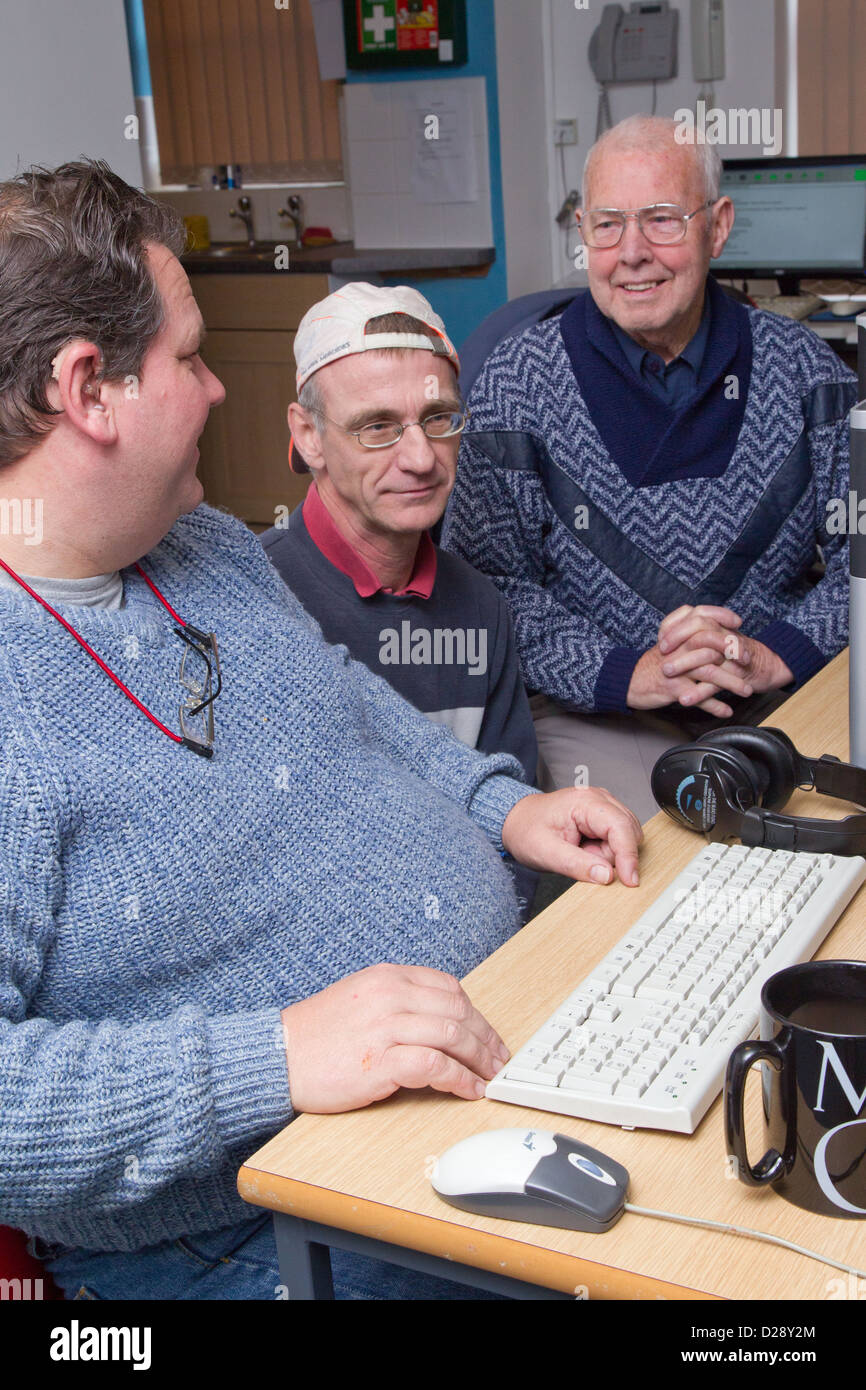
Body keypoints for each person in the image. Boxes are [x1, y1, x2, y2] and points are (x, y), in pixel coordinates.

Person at [0, 160, 641, 1301]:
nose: (216, 390)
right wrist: (275, 1057)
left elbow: (338, 693)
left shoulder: (199, 543)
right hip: (253, 1217)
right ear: (88, 389)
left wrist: (505, 805)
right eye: (190, 357)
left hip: (467, 1056)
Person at [442, 115, 856, 822]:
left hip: (781, 688)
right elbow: (487, 588)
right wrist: (627, 673)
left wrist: (772, 655)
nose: (632, 253)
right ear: (582, 232)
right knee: (682, 856)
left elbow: (863, 561)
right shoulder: (517, 385)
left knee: (834, 844)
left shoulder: (805, 370)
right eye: (607, 225)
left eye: (662, 220)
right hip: (605, 712)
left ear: (718, 227)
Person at [260, 283, 538, 916]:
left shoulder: (481, 609)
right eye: (377, 427)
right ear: (308, 436)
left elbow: (516, 825)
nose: (421, 458)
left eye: (438, 419)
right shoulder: (255, 602)